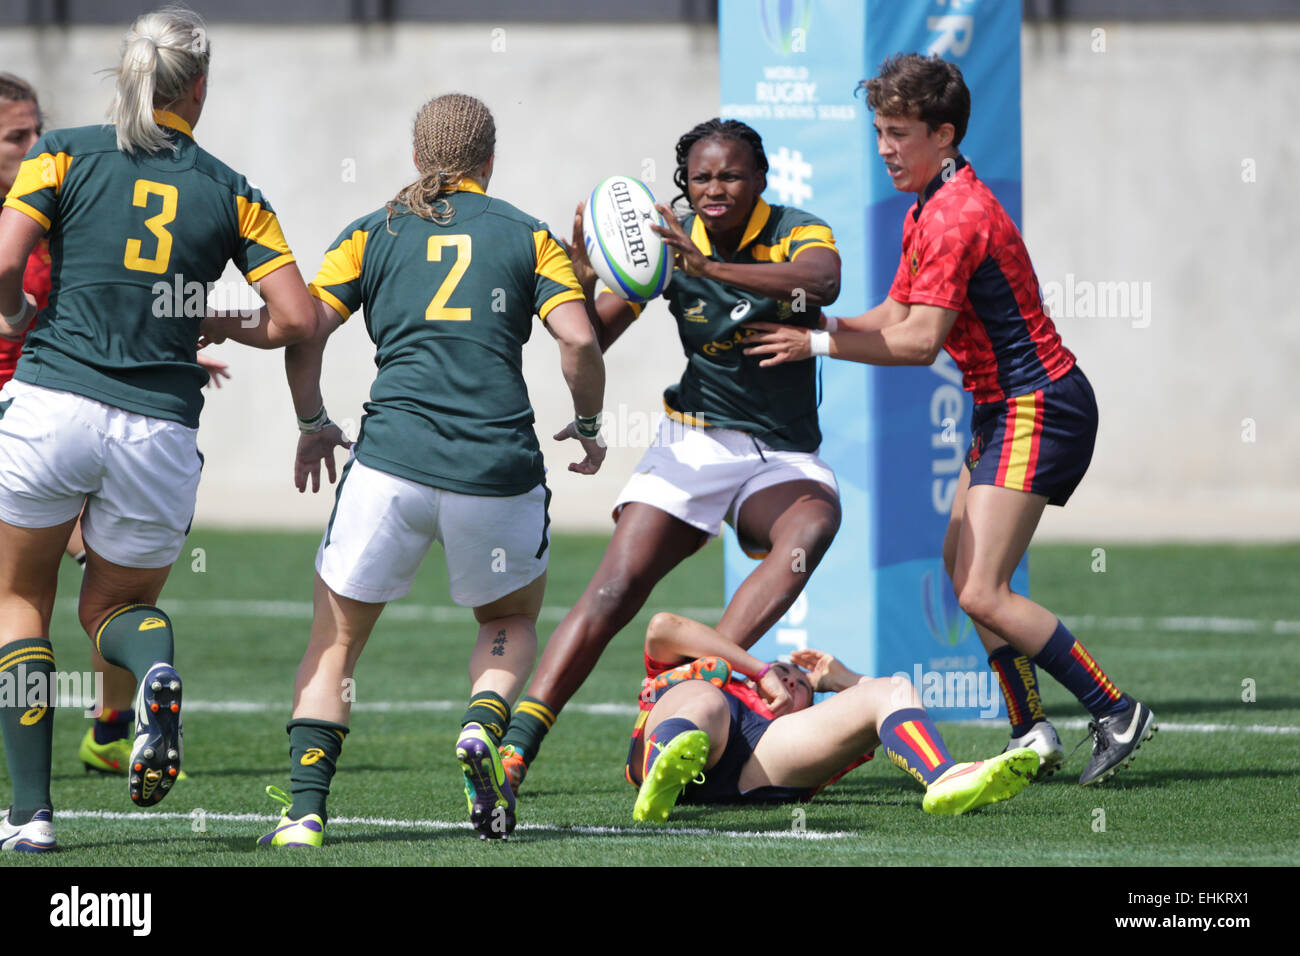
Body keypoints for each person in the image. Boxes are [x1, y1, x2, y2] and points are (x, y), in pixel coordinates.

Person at [744, 53, 1155, 786]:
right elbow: (892, 316)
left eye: (898, 132)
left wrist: (817, 341)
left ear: (944, 133)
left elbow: (917, 342)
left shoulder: (958, 214)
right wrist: (817, 330)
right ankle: (1031, 729)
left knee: (981, 589)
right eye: (878, 130)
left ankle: (1115, 709)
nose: (884, 147)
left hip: (1039, 405)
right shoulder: (930, 205)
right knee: (959, 568)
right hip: (1006, 408)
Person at [0, 7, 317, 853]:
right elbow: (298, 317)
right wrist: (218, 322)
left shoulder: (60, 151)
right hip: (160, 428)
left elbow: (3, 266)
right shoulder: (231, 189)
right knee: (116, 605)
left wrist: (17, 310)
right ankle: (155, 672)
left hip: (52, 405)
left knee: (19, 603)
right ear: (199, 87)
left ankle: (30, 816)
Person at [255, 93, 605, 847]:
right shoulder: (528, 234)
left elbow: (305, 327)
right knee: (507, 619)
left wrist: (313, 423)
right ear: (490, 160)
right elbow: (577, 340)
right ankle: (482, 723)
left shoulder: (371, 231)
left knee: (337, 642)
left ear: (417, 158)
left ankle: (306, 813)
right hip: (498, 468)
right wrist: (591, 423)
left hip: (391, 465)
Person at [498, 119, 843, 789]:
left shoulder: (796, 229)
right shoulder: (658, 241)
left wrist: (707, 266)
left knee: (811, 526)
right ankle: (514, 749)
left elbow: (821, 282)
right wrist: (574, 276)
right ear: (684, 182)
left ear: (761, 180)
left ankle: (699, 674)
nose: (715, 188)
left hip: (781, 453)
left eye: (732, 174)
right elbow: (592, 338)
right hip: (695, 439)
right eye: (702, 176)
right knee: (613, 588)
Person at [628, 611, 1038, 822]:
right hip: (703, 715)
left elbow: (879, 704)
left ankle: (944, 778)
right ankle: (664, 763)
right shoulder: (726, 680)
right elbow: (664, 626)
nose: (791, 682)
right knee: (707, 699)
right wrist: (759, 670)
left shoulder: (788, 723)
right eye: (783, 673)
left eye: (801, 686)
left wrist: (842, 680)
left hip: (760, 757)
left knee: (893, 688)